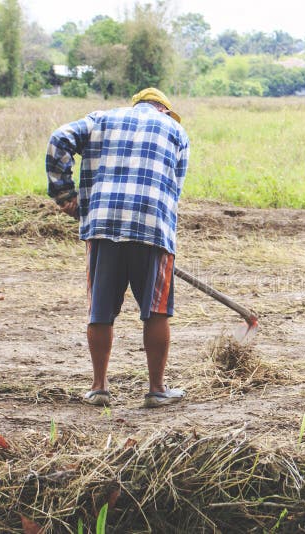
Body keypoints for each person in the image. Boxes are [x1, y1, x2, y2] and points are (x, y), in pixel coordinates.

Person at [46, 87, 190, 408]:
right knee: (156, 310)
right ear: (163, 110)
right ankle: (156, 390)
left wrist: (65, 195)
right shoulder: (176, 131)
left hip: (102, 225)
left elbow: (59, 138)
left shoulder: (101, 119)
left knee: (100, 310)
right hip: (152, 227)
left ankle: (99, 388)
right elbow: (174, 189)